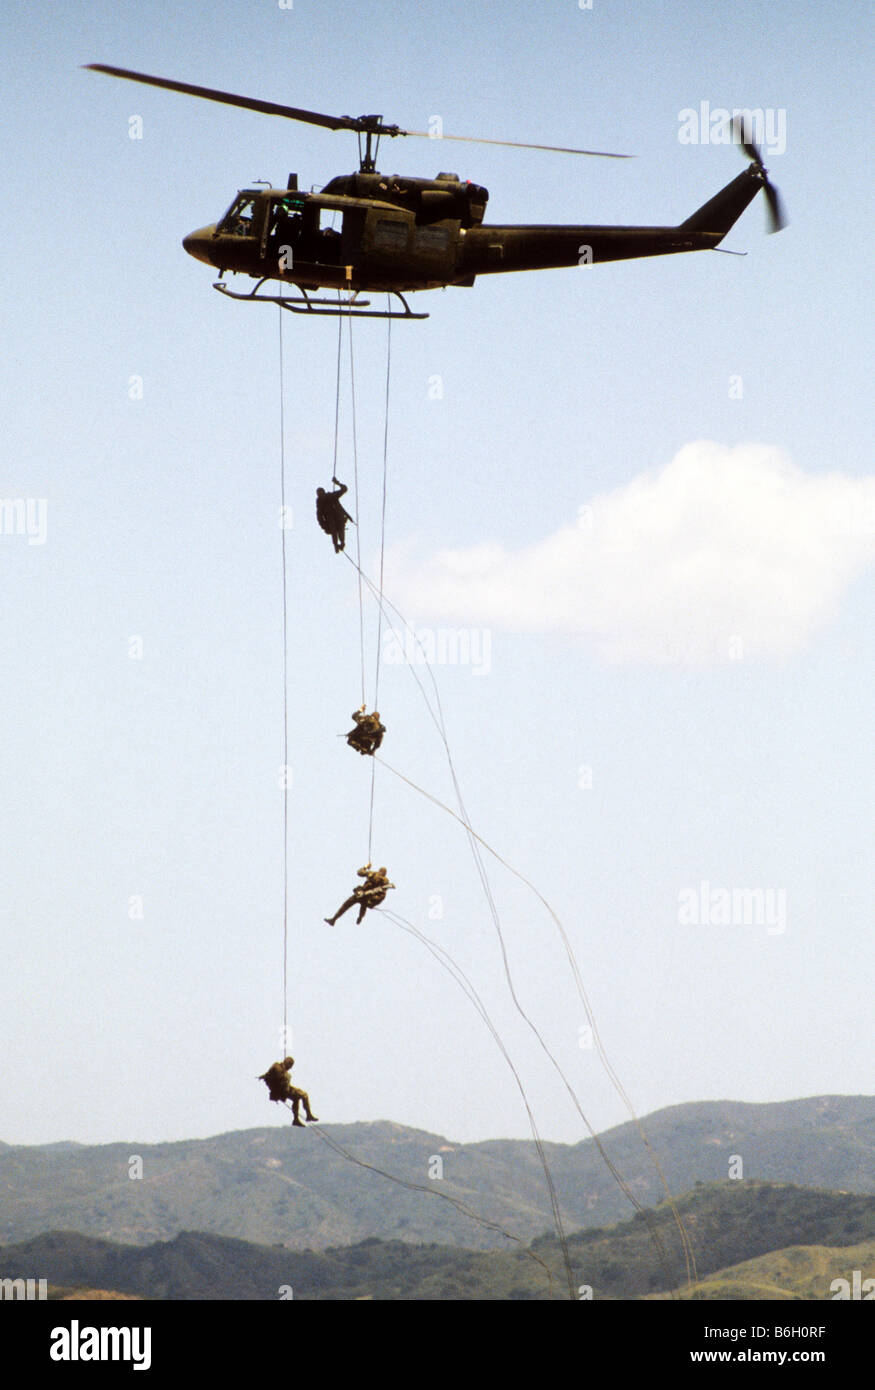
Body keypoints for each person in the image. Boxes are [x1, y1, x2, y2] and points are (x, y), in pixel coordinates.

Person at [325, 864, 395, 926]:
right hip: (362, 894)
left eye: (382, 872)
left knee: (354, 908)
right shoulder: (376, 875)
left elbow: (382, 895)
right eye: (380, 871)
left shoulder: (380, 878)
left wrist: (366, 867)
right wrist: (366, 867)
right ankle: (334, 919)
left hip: (366, 896)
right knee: (347, 905)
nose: (380, 874)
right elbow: (359, 873)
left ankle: (357, 918)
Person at [258, 1056, 319, 1127]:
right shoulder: (277, 1067)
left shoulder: (283, 1070)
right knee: (304, 1095)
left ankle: (297, 1119)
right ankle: (308, 1115)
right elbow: (270, 1074)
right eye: (290, 1066)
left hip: (286, 1089)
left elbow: (269, 1074)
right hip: (281, 1091)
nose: (290, 1068)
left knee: (297, 1098)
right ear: (288, 1064)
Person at [315, 477, 354, 553]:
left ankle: (341, 544)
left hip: (338, 518)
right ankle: (336, 545)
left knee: (340, 530)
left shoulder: (332, 496)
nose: (320, 496)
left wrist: (337, 483)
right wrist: (324, 526)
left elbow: (344, 489)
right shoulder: (320, 503)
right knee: (334, 530)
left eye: (321, 493)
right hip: (331, 521)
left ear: (324, 492)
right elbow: (319, 517)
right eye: (319, 494)